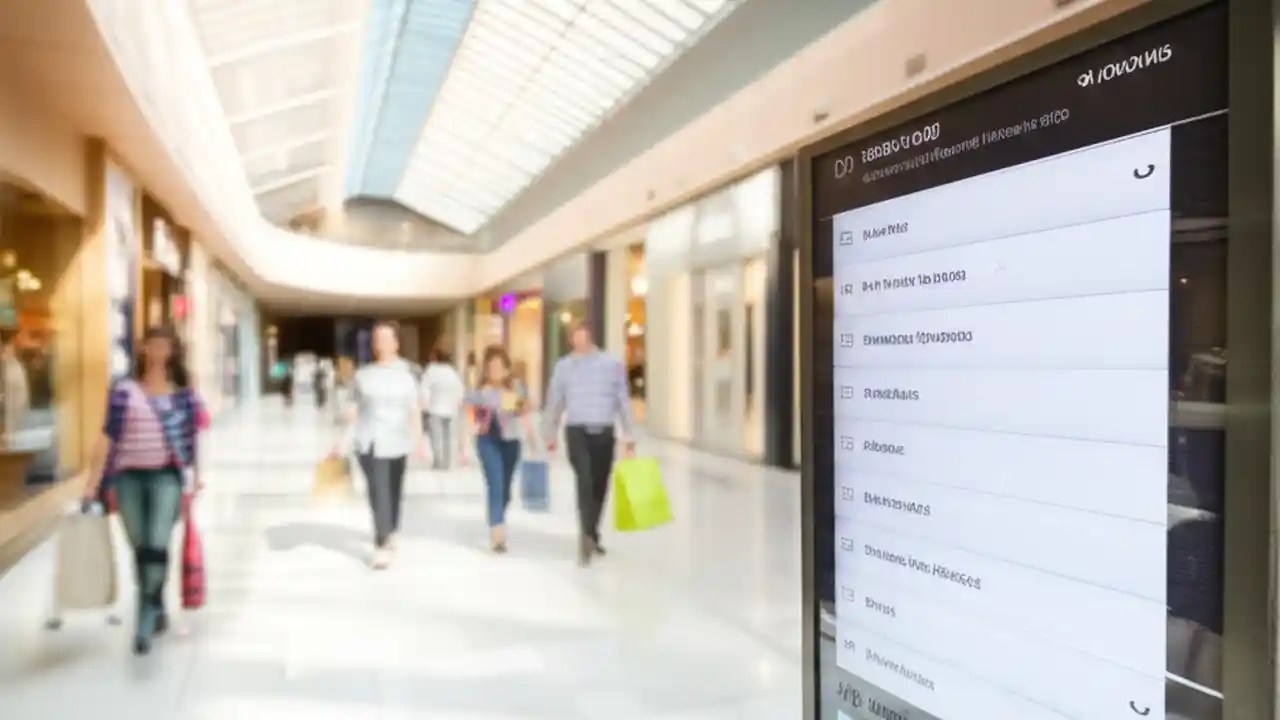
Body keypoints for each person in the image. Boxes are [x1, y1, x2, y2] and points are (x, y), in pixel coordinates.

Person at [82, 326, 205, 655]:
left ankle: (144, 618)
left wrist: (195, 480)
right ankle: (156, 600)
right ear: (144, 349)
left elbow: (192, 442)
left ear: (174, 351)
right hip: (127, 480)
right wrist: (92, 483)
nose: (159, 352)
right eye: (153, 345)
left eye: (166, 346)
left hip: (166, 478)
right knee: (140, 548)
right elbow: (107, 436)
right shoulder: (123, 390)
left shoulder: (183, 393)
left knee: (156, 545)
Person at [332, 321, 428, 570]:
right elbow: (353, 410)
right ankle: (382, 543)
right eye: (377, 339)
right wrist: (342, 441)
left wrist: (419, 441)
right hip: (370, 441)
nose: (381, 344)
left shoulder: (411, 372)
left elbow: (415, 408)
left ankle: (391, 530)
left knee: (394, 490)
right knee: (378, 490)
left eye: (386, 338)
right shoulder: (363, 375)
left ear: (396, 342)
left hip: (399, 440)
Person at [542, 322, 636, 567]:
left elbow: (622, 399)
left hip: (604, 430)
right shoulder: (564, 367)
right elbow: (555, 401)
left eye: (583, 336)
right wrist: (549, 433)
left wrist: (629, 434)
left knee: (600, 484)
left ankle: (592, 532)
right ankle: (585, 535)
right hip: (577, 431)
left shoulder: (611, 364)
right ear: (571, 340)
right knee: (584, 481)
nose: (580, 341)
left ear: (591, 337)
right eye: (576, 337)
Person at [463, 346, 533, 553]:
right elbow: (471, 417)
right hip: (488, 441)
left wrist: (516, 403)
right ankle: (497, 533)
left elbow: (526, 410)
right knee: (495, 484)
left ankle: (496, 515)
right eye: (491, 367)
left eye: (499, 367)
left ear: (506, 369)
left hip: (511, 441)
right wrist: (466, 439)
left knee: (505, 490)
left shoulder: (517, 387)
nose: (495, 371)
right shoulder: (479, 393)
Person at [419, 349, 465, 470]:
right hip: (452, 409)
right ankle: (448, 462)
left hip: (435, 408)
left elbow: (425, 389)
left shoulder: (431, 371)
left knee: (436, 437)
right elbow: (460, 389)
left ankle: (438, 461)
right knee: (449, 437)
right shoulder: (452, 371)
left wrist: (424, 406)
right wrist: (459, 403)